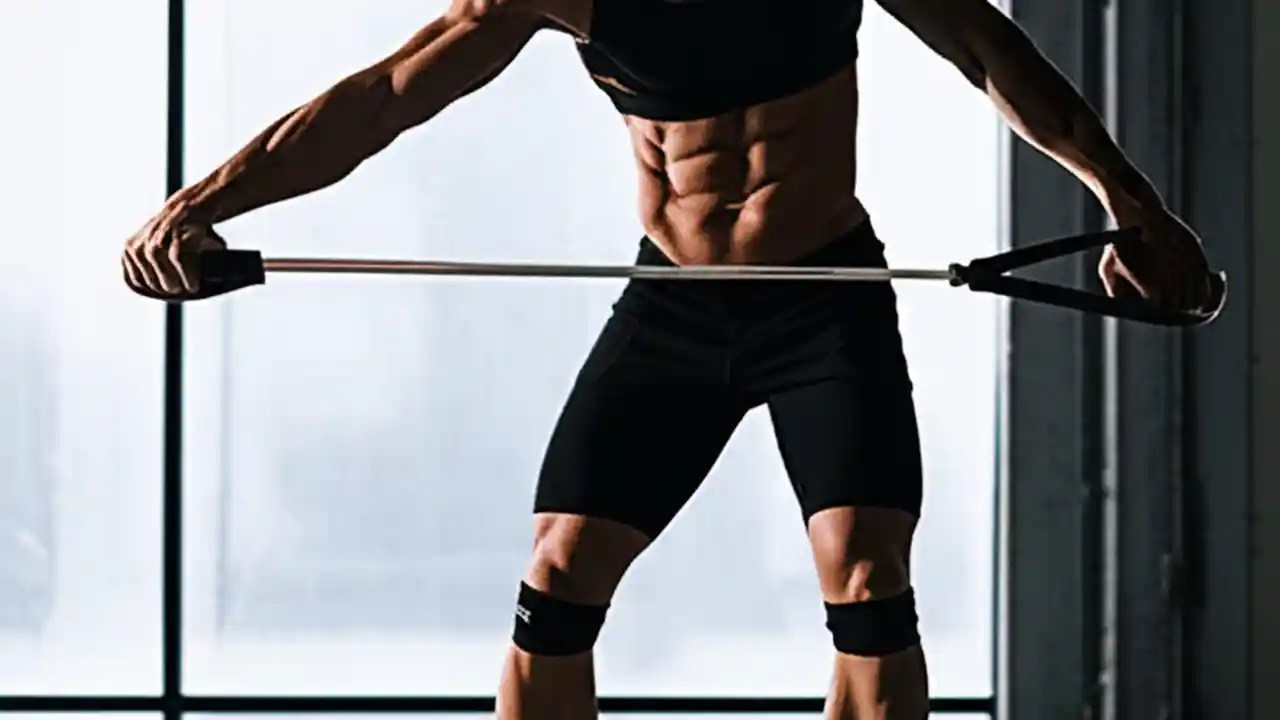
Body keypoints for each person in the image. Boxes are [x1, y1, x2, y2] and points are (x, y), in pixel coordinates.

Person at [122, 0, 1215, 716]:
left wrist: (1132, 204)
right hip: (674, 306)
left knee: (869, 579)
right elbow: (385, 96)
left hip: (820, 296)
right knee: (557, 576)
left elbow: (987, 48)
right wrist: (199, 206)